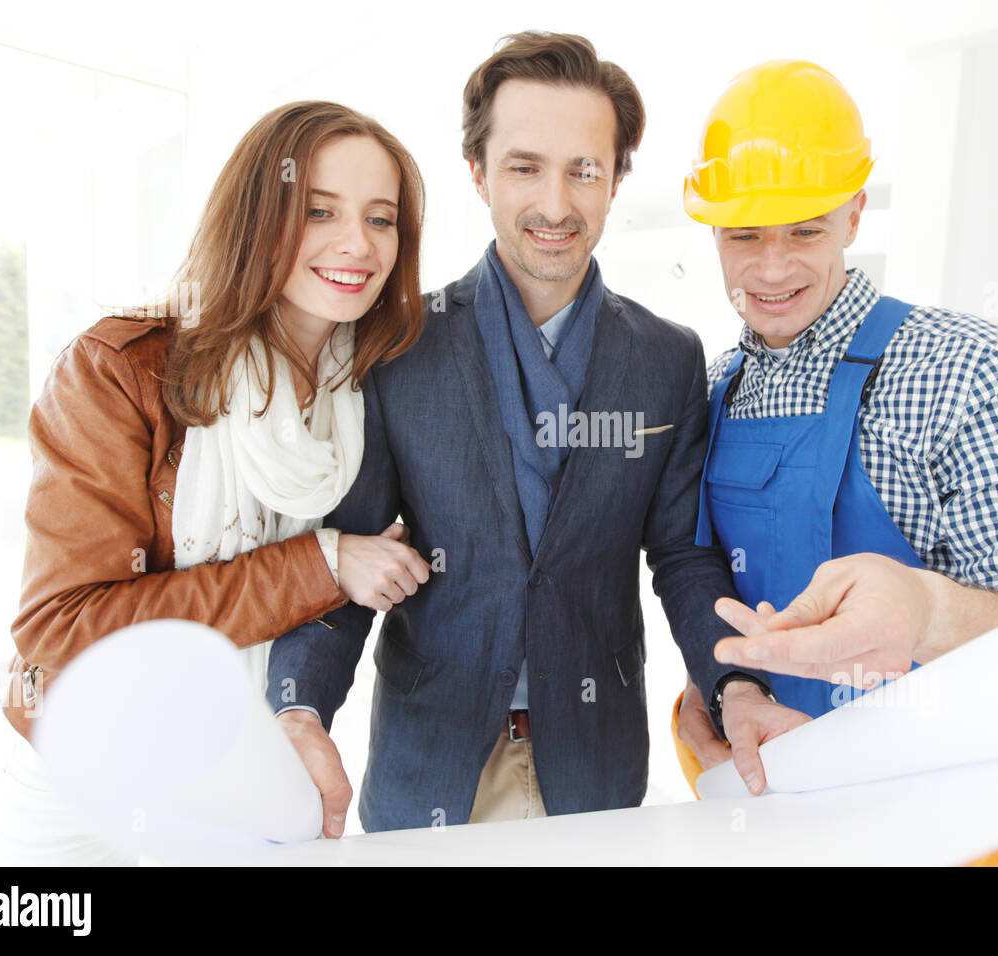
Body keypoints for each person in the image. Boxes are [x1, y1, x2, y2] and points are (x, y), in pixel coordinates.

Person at [269, 32, 804, 836]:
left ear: (617, 179)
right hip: (431, 764)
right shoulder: (398, 348)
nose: (556, 204)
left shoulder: (667, 358)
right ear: (478, 173)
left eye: (584, 169)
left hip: (596, 762)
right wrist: (300, 706)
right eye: (525, 167)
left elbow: (684, 556)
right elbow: (353, 557)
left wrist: (737, 685)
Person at [672, 61, 998, 824]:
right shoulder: (717, 388)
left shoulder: (971, 370)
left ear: (853, 214)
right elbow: (698, 572)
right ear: (713, 230)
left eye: (806, 229)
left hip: (936, 814)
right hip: (760, 797)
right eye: (745, 234)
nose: (772, 268)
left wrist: (925, 608)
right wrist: (724, 689)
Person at [0, 101, 430, 864]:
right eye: (318, 210)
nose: (357, 244)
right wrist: (322, 565)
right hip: (91, 783)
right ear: (257, 217)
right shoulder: (118, 369)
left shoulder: (369, 382)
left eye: (382, 219)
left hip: (244, 772)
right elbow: (63, 630)